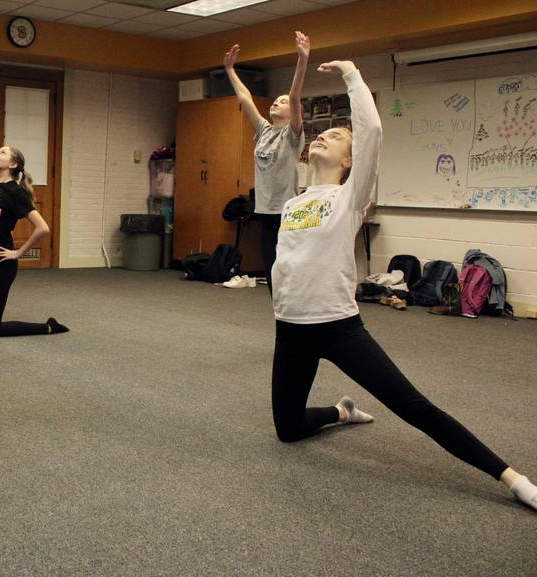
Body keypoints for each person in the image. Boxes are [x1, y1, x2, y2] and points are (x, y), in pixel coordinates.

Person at [270, 59, 536, 511]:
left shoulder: (349, 197)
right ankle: (342, 412)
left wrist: (354, 76)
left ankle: (512, 477)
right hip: (289, 327)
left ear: (350, 161)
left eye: (335, 137)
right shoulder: (293, 201)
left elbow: (370, 132)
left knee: (414, 407)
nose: (323, 136)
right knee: (288, 429)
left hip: (337, 326)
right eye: (322, 133)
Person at [223, 31, 309, 293]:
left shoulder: (293, 135)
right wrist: (229, 69)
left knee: (287, 270)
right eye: (275, 100)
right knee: (272, 272)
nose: (277, 103)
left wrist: (302, 60)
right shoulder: (264, 130)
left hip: (286, 212)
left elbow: (295, 97)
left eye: (282, 102)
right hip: (265, 211)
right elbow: (245, 99)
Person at [0, 109, 68, 337]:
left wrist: (18, 254)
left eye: (2, 152)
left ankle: (48, 327)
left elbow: (43, 227)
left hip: (0, 263)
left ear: (13, 164)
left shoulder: (17, 194)